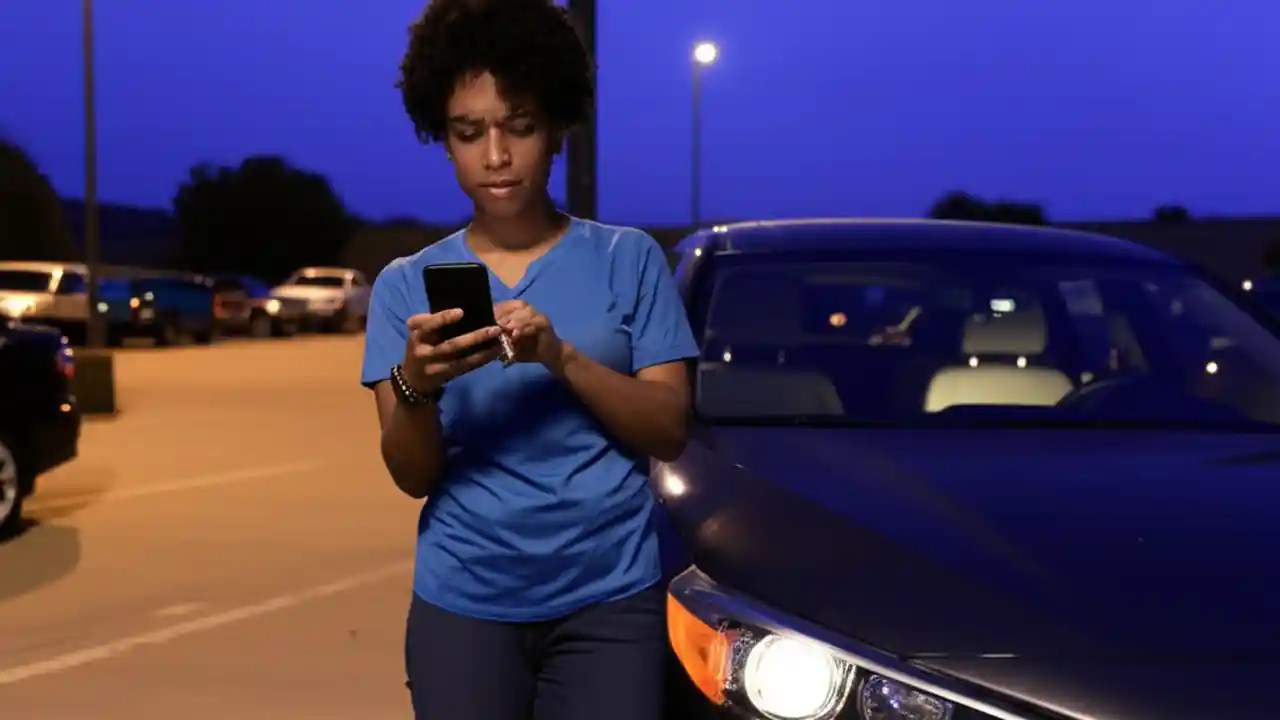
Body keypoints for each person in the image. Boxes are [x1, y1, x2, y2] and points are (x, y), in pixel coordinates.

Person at [359, 0, 700, 718]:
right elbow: (412, 477)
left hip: (609, 598)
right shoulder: (405, 286)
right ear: (442, 138)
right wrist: (415, 384)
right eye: (467, 132)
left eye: (519, 126)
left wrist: (559, 357)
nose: (495, 156)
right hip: (465, 602)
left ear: (557, 129)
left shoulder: (626, 259)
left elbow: (669, 428)